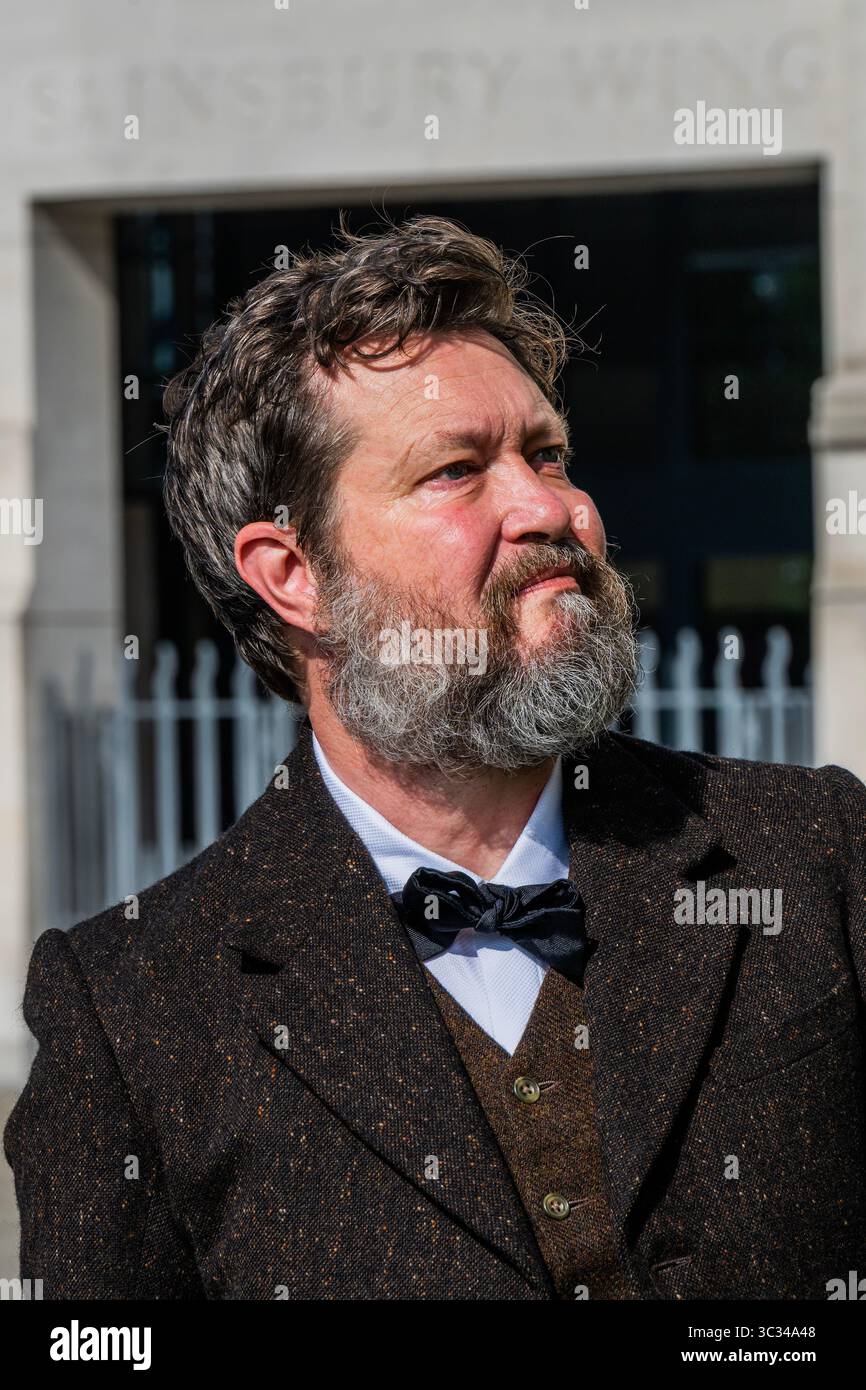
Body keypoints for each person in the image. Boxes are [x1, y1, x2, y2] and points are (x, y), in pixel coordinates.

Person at [5, 214, 866, 1300]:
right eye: (457, 471)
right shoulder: (134, 1014)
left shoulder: (813, 855)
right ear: (292, 573)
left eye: (546, 453)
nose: (549, 508)